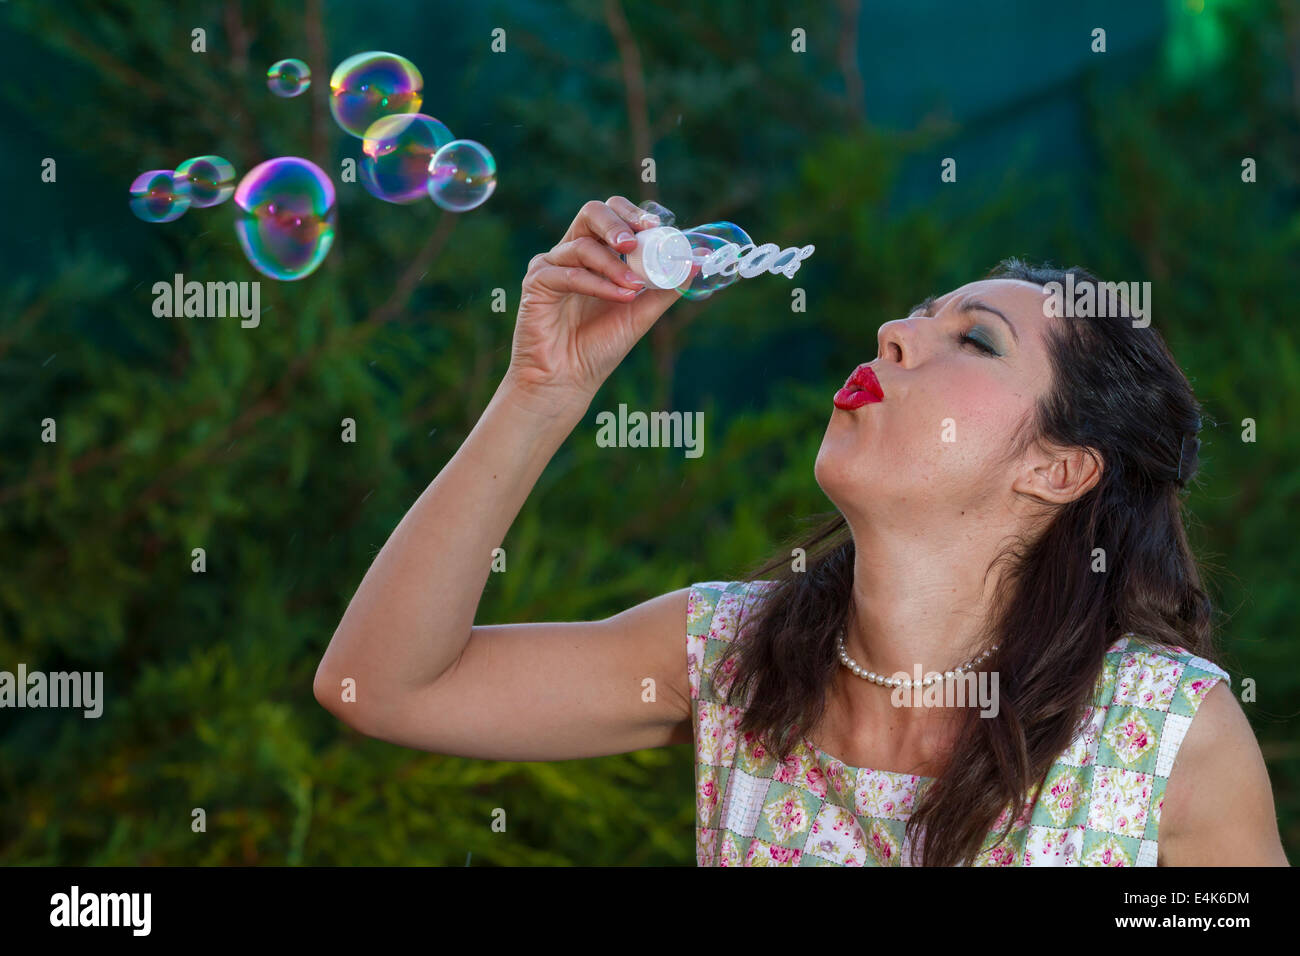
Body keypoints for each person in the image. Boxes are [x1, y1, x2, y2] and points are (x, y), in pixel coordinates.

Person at [314, 196, 1289, 867]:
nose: (892, 336)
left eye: (973, 338)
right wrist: (540, 391)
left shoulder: (1161, 737)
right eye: (912, 316)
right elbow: (381, 684)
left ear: (1056, 467)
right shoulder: (731, 653)